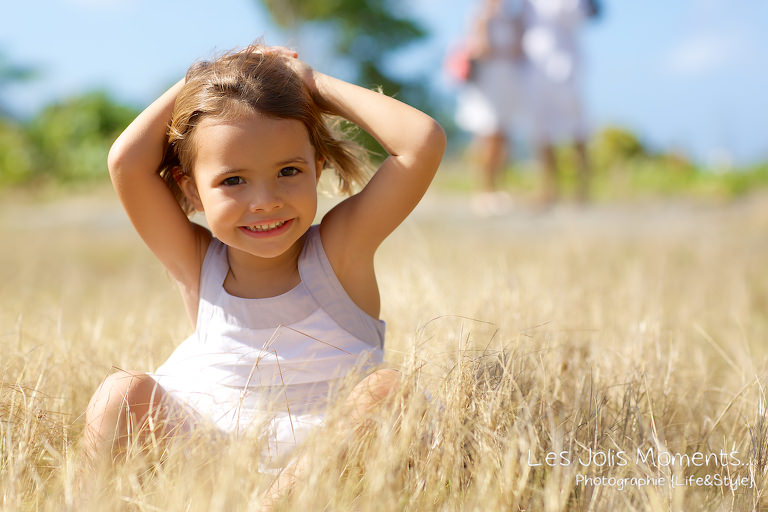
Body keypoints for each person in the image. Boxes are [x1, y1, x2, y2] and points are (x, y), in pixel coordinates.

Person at [82, 44, 445, 503]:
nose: (265, 200)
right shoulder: (198, 263)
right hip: (213, 449)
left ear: (319, 167)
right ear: (191, 190)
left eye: (289, 170)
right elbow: (126, 164)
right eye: (233, 180)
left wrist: (311, 84)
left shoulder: (338, 251)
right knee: (121, 390)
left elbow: (421, 140)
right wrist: (203, 80)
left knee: (388, 390)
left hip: (325, 453)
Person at [522, 0, 599, 205]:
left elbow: (587, 13)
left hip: (564, 65)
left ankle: (582, 189)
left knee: (577, 128)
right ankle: (548, 189)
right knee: (541, 130)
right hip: (535, 66)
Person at [454, 0, 526, 216]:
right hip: (487, 83)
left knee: (502, 138)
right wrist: (487, 20)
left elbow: (519, 50)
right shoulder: (481, 14)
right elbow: (482, 48)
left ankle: (497, 189)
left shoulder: (510, 17)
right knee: (487, 138)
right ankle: (482, 191)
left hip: (506, 81)